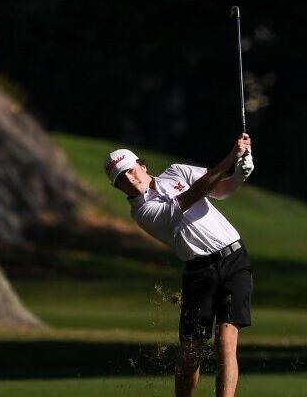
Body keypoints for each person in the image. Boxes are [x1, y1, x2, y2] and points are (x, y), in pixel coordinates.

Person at [104, 133, 255, 397]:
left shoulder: (177, 171)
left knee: (224, 342)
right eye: (120, 180)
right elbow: (193, 195)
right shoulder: (143, 213)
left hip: (234, 259)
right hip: (199, 272)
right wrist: (231, 157)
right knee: (190, 355)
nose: (128, 180)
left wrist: (239, 175)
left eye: (129, 171)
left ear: (142, 165)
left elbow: (218, 189)